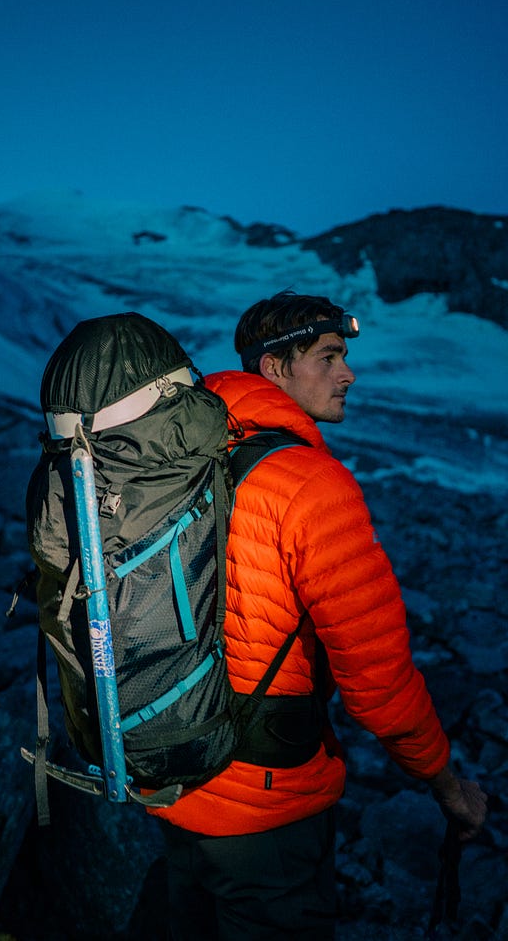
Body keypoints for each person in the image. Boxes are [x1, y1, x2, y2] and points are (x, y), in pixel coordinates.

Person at [152, 290, 488, 939]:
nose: (348, 373)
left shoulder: (182, 460)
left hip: (173, 780)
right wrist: (448, 786)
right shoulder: (311, 485)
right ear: (275, 368)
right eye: (330, 355)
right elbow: (380, 685)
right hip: (266, 813)